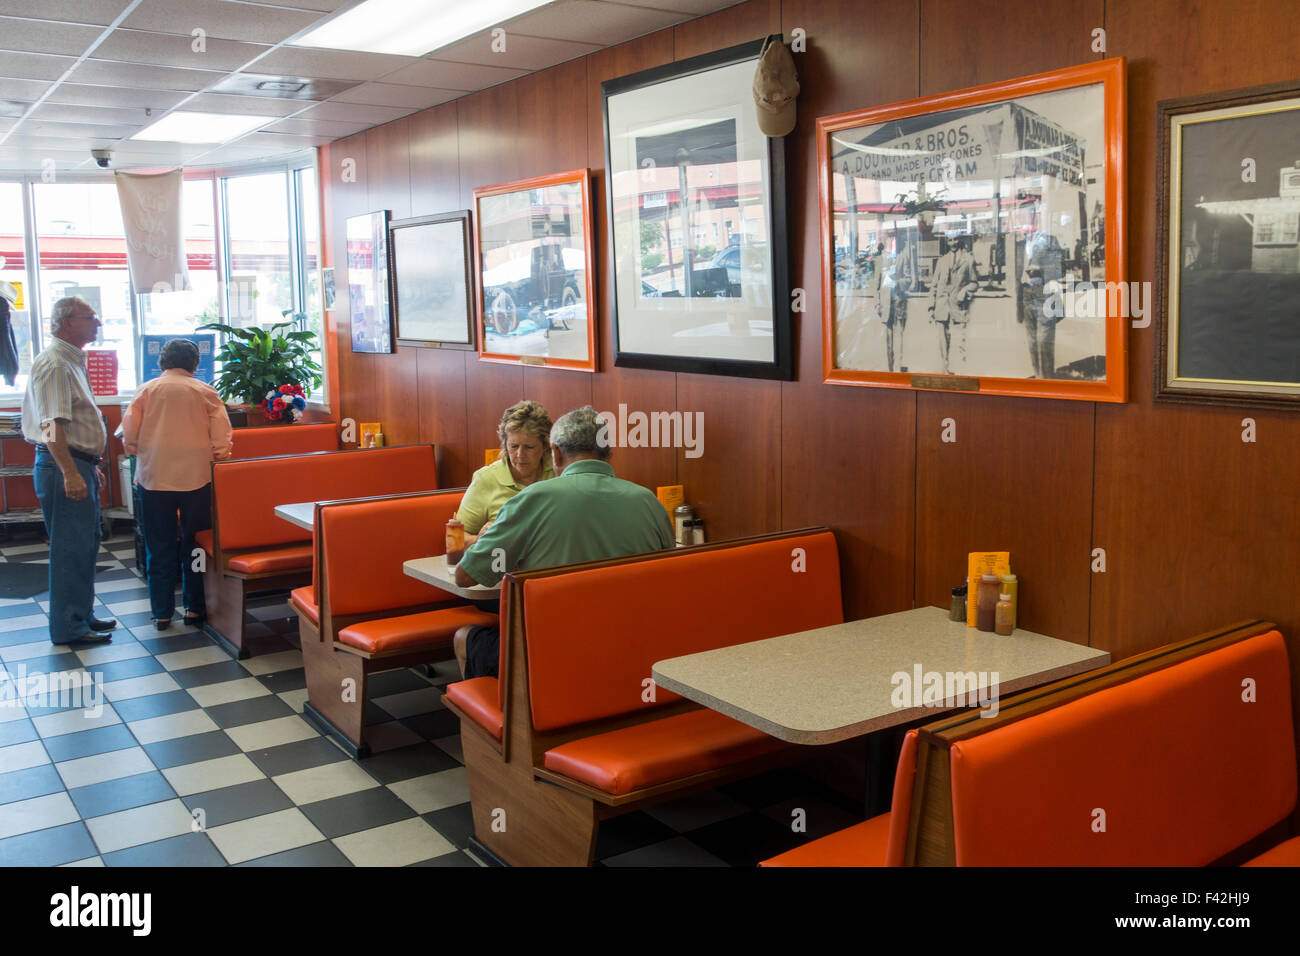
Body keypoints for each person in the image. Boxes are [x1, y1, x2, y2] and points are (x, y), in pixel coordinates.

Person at [451, 406, 674, 678]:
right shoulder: (648, 501)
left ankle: (503, 717)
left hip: (549, 655)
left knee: (464, 637)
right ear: (608, 452)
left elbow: (464, 576)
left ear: (553, 451)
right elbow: (669, 577)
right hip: (633, 652)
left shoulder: (532, 499)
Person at [122, 339, 233, 629]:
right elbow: (222, 437)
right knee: (195, 545)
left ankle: (161, 611)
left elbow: (130, 434)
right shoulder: (205, 392)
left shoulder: (145, 391)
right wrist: (219, 456)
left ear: (163, 362)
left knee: (158, 546)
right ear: (195, 363)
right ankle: (194, 607)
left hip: (153, 478)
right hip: (196, 480)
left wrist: (139, 451)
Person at [21, 296, 112, 645]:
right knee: (70, 549)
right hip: (63, 465)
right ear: (66, 321)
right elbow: (50, 425)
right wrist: (71, 472)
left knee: (87, 544)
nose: (98, 323)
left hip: (77, 462)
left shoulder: (72, 360)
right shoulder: (57, 363)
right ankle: (69, 627)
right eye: (90, 317)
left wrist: (90, 465)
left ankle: (81, 615)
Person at [456, 399, 554, 545]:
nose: (520, 455)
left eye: (529, 447)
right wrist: (478, 540)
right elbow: (455, 538)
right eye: (514, 446)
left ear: (545, 446)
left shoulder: (558, 471)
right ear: (505, 445)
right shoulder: (486, 478)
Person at [928, 235, 980, 374]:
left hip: (958, 306)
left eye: (955, 240)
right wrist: (931, 307)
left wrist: (965, 290)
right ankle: (945, 369)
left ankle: (959, 370)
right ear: (947, 242)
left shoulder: (968, 259)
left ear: (960, 240)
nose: (953, 243)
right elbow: (934, 285)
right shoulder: (941, 261)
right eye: (950, 240)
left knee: (959, 340)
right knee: (943, 341)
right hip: (941, 306)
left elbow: (974, 283)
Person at [1019, 232, 1065, 378]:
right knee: (1031, 340)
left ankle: (1047, 379)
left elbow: (1059, 268)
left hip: (1045, 292)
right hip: (1026, 293)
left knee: (1045, 340)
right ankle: (1038, 376)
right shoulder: (1020, 239)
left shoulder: (1050, 239)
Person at [875, 236, 915, 372]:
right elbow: (876, 285)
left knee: (899, 337)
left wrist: (898, 283)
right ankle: (889, 369)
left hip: (899, 303)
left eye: (895, 241)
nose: (892, 243)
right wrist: (877, 303)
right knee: (888, 339)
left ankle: (898, 367)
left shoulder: (903, 257)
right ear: (886, 242)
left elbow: (909, 279)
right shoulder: (880, 260)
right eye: (890, 240)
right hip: (886, 305)